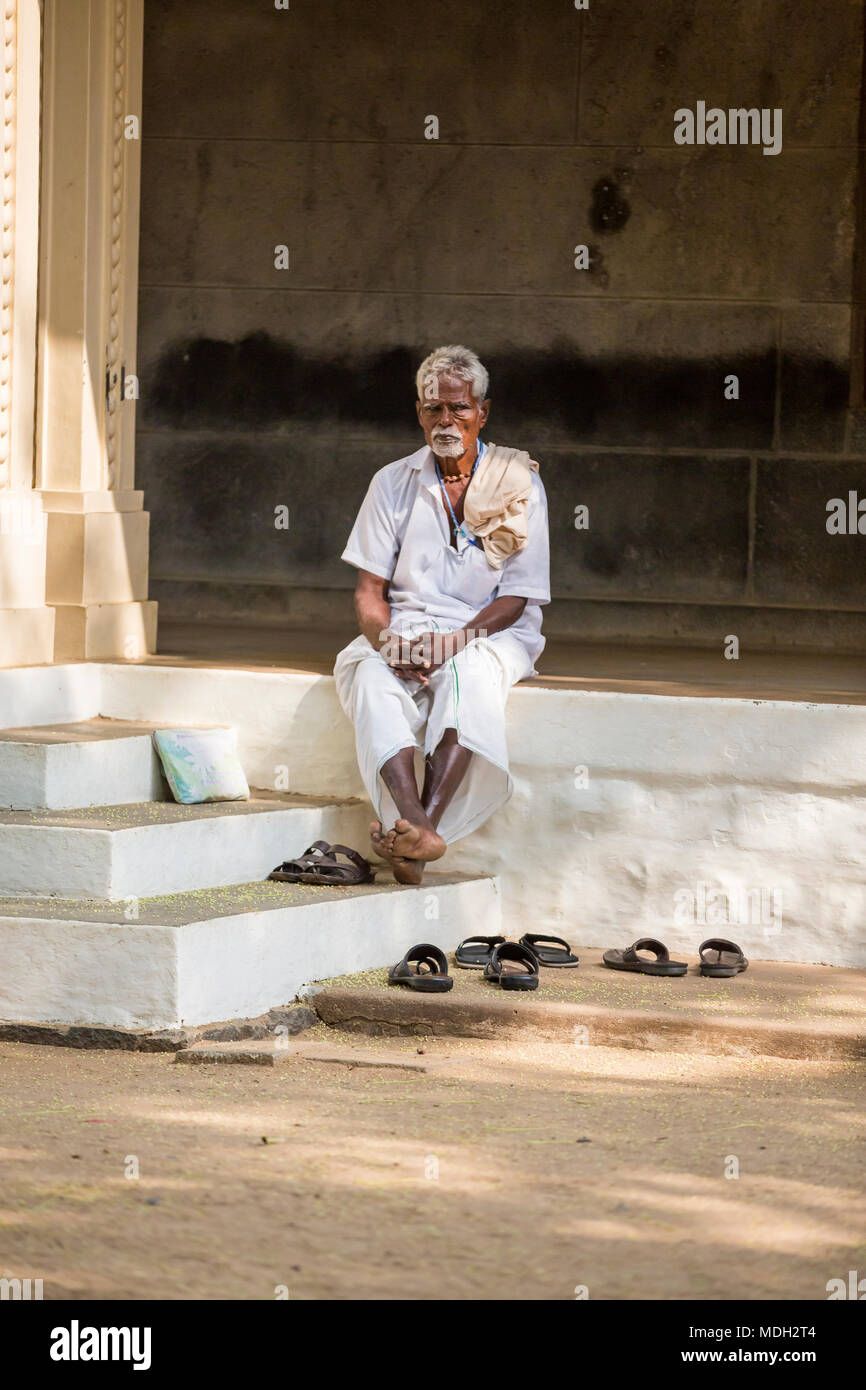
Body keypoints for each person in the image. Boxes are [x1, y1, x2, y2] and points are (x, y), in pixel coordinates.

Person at [334, 344, 550, 883]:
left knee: (469, 673)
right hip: (405, 628)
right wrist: (387, 643)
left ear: (483, 412)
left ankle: (415, 832)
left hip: (489, 631)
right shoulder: (392, 482)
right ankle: (419, 829)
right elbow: (368, 591)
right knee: (370, 679)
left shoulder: (519, 481)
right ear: (418, 412)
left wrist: (456, 640)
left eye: (459, 408)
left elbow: (518, 596)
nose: (446, 420)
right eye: (434, 409)